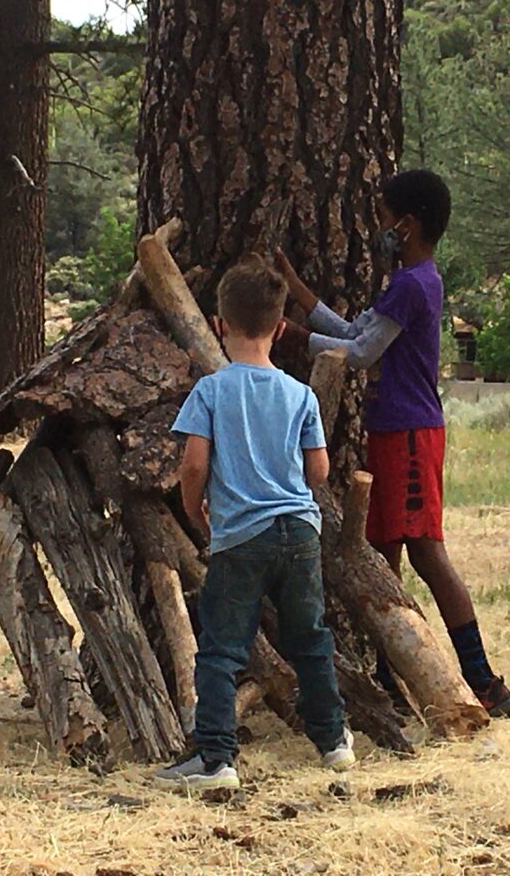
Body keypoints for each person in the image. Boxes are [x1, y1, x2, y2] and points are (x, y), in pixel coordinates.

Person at [276, 169, 510, 717]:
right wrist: (294, 286)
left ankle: (482, 681)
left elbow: (360, 354)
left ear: (408, 224)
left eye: (386, 218)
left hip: (410, 433)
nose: (380, 228)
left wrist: (292, 337)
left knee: (426, 552)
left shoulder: (413, 284)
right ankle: (392, 680)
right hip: (394, 432)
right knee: (382, 555)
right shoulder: (406, 283)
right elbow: (353, 333)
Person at [155, 258, 356, 792]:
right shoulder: (300, 394)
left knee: (222, 648)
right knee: (311, 638)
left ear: (221, 324)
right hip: (299, 530)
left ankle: (217, 759)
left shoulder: (212, 392)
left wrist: (196, 506)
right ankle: (333, 741)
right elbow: (319, 470)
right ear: (279, 326)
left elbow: (194, 464)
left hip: (241, 536)